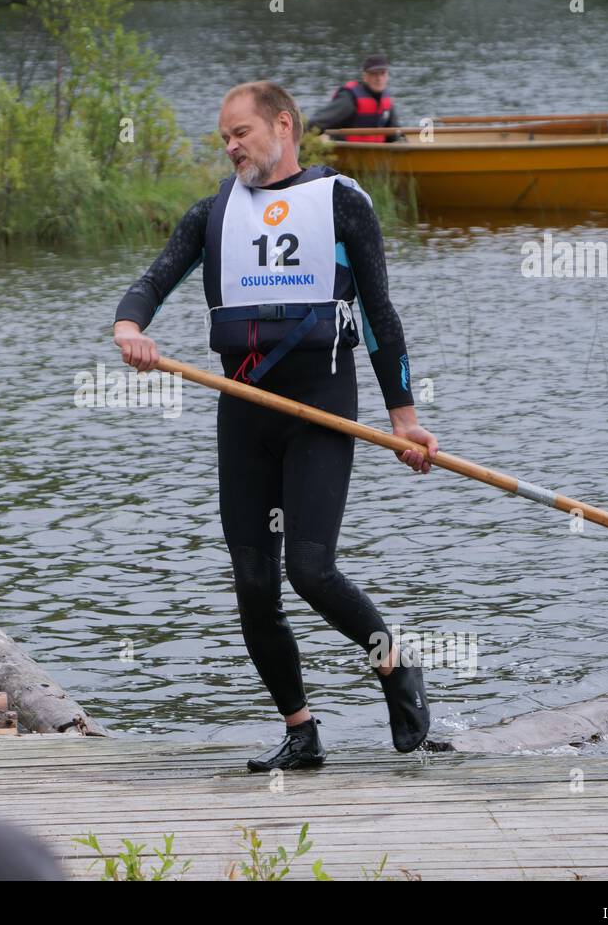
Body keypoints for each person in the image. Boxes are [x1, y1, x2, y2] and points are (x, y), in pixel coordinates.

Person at [112, 80, 436, 771]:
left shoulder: (341, 203)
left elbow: (380, 318)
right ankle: (301, 728)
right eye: (224, 137)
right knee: (255, 583)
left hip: (320, 402)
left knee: (311, 570)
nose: (231, 147)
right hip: (244, 408)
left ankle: (396, 667)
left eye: (241, 133)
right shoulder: (211, 216)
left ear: (282, 126)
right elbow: (152, 281)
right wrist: (130, 327)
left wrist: (403, 419)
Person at [306, 54, 401, 142]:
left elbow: (394, 135)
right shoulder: (349, 98)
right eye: (374, 74)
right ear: (365, 76)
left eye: (382, 74)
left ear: (387, 76)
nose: (379, 78)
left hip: (378, 154)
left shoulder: (387, 101)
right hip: (349, 152)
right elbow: (316, 123)